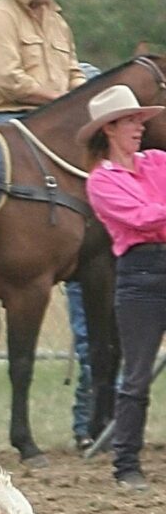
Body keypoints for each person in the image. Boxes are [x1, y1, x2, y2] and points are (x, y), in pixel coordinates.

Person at [0, 0, 94, 447]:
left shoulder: (56, 21)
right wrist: (70, 101)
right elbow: (7, 79)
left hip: (54, 125)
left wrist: (82, 94)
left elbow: (75, 71)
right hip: (5, 123)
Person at [80, 86, 166, 491]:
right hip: (141, 276)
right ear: (110, 128)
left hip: (146, 272)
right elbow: (140, 219)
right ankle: (126, 463)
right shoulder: (101, 182)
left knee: (136, 375)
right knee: (136, 376)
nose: (139, 128)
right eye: (131, 122)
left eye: (138, 122)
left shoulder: (158, 162)